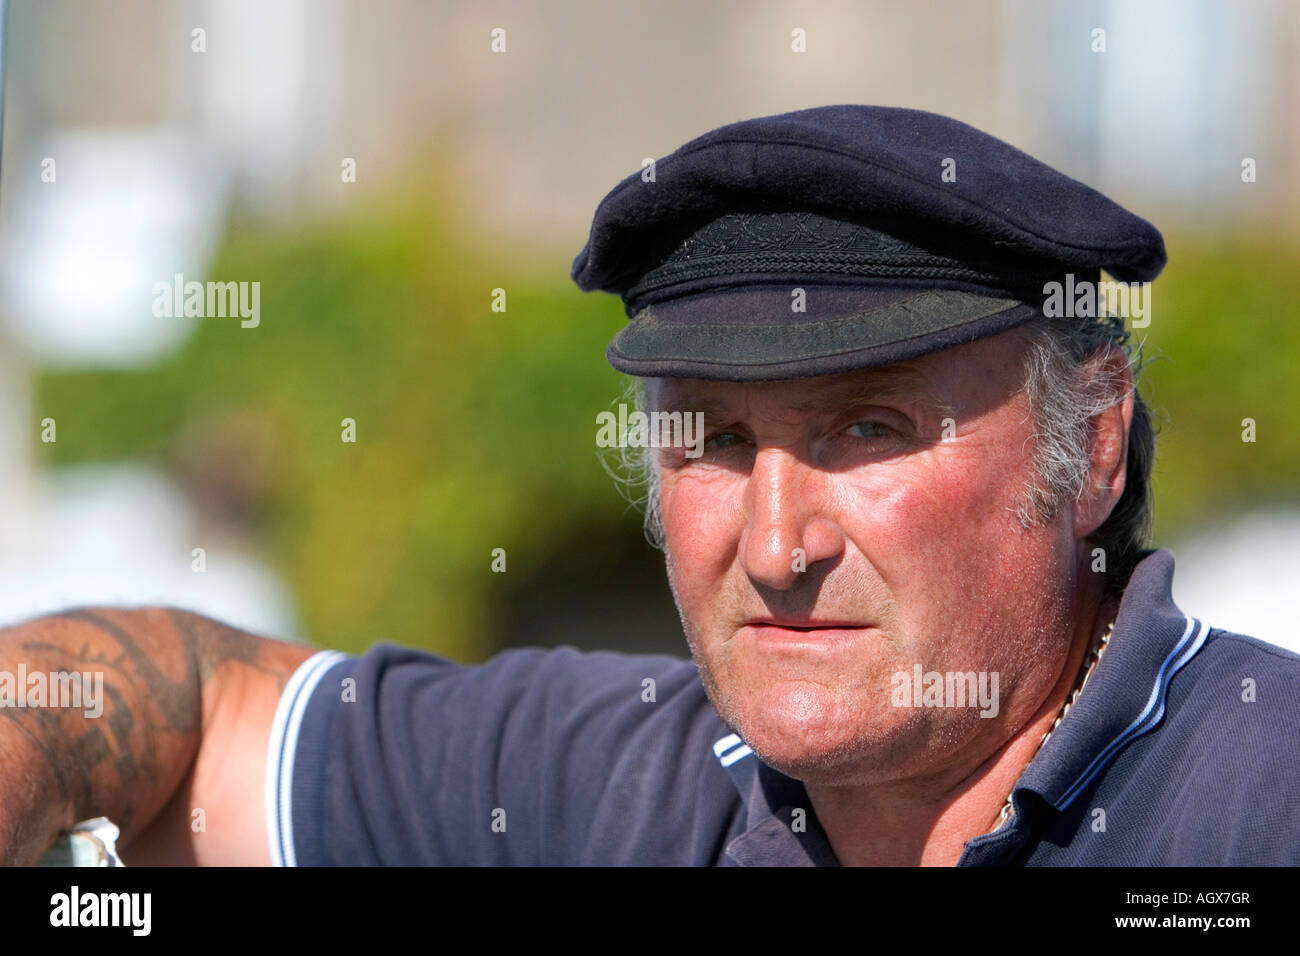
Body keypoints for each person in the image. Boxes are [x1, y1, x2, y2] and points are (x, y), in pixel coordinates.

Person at [2, 105, 1297, 867]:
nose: (778, 542)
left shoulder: (1258, 799)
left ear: (1097, 443)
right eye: (715, 440)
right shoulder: (603, 778)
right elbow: (201, 706)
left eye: (866, 426)